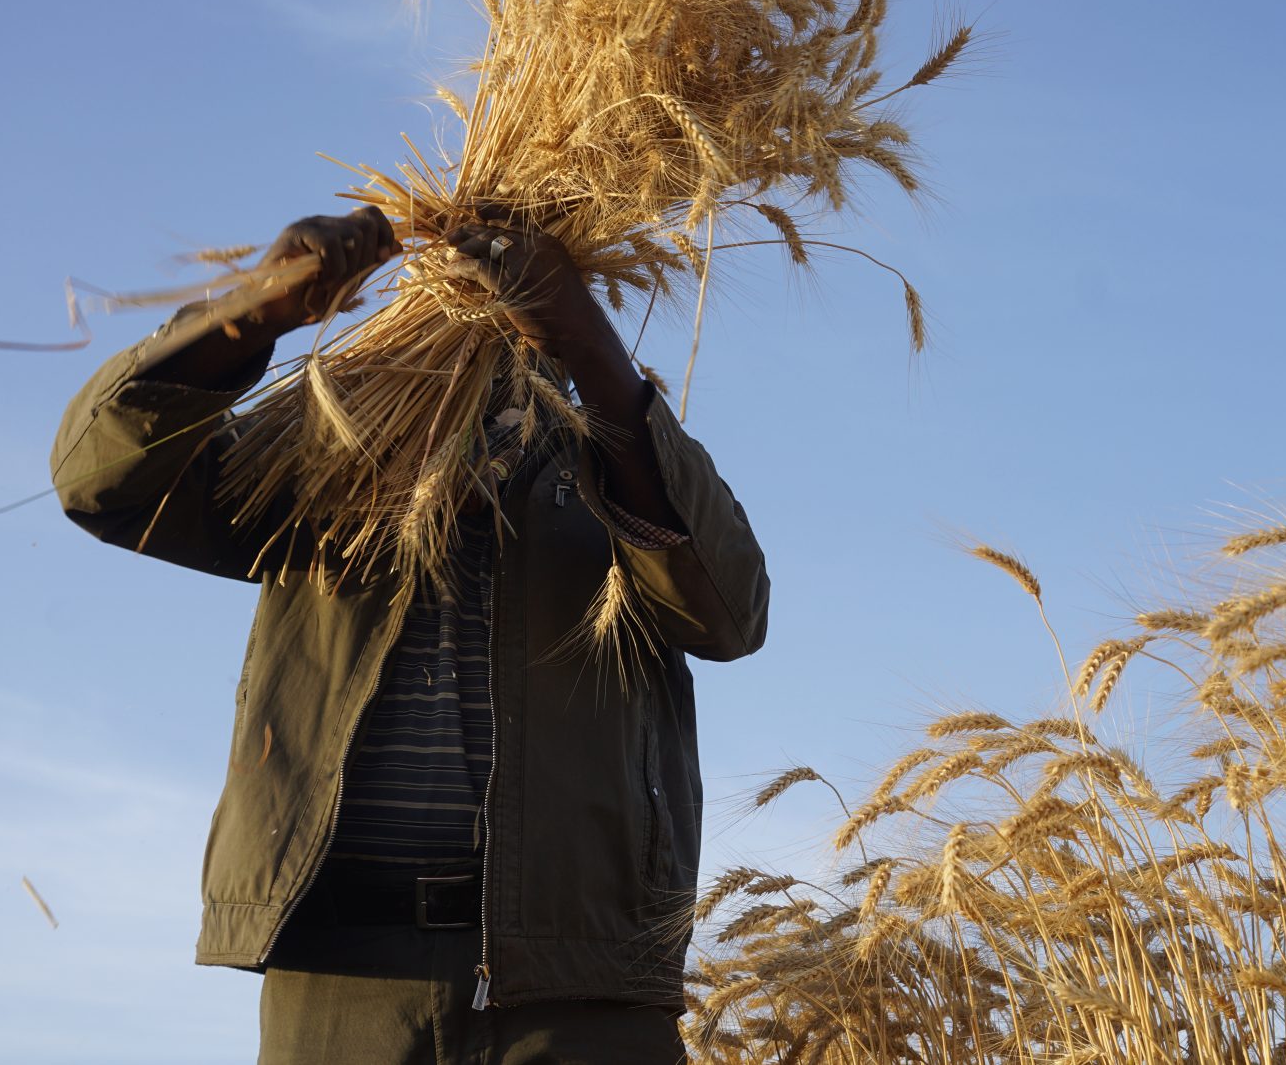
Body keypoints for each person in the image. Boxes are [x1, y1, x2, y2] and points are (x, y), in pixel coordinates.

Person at [52, 206, 770, 1064]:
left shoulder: (625, 455)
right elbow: (99, 480)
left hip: (577, 990)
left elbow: (731, 615)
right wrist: (258, 306)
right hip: (341, 977)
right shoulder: (330, 445)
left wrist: (596, 353)